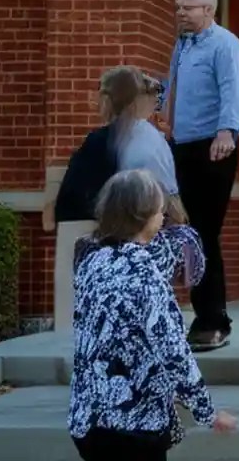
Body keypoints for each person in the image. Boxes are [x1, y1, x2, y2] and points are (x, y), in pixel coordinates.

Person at [68, 170, 237, 460]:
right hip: (133, 423)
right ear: (142, 215)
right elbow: (173, 351)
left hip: (87, 419)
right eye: (160, 209)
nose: (163, 216)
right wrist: (207, 412)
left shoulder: (91, 260)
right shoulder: (144, 272)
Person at [48, 66, 198, 330]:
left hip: (95, 231)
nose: (96, 100)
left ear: (111, 98)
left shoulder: (116, 139)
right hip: (105, 231)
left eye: (101, 93)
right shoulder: (146, 138)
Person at [165, 0, 239, 351]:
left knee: (203, 233)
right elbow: (175, 88)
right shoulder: (182, 44)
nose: (181, 13)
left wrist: (227, 131)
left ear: (209, 11)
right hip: (181, 146)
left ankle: (214, 321)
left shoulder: (225, 43)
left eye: (189, 8)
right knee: (188, 232)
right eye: (179, 7)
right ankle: (202, 316)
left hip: (213, 146)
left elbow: (232, 88)